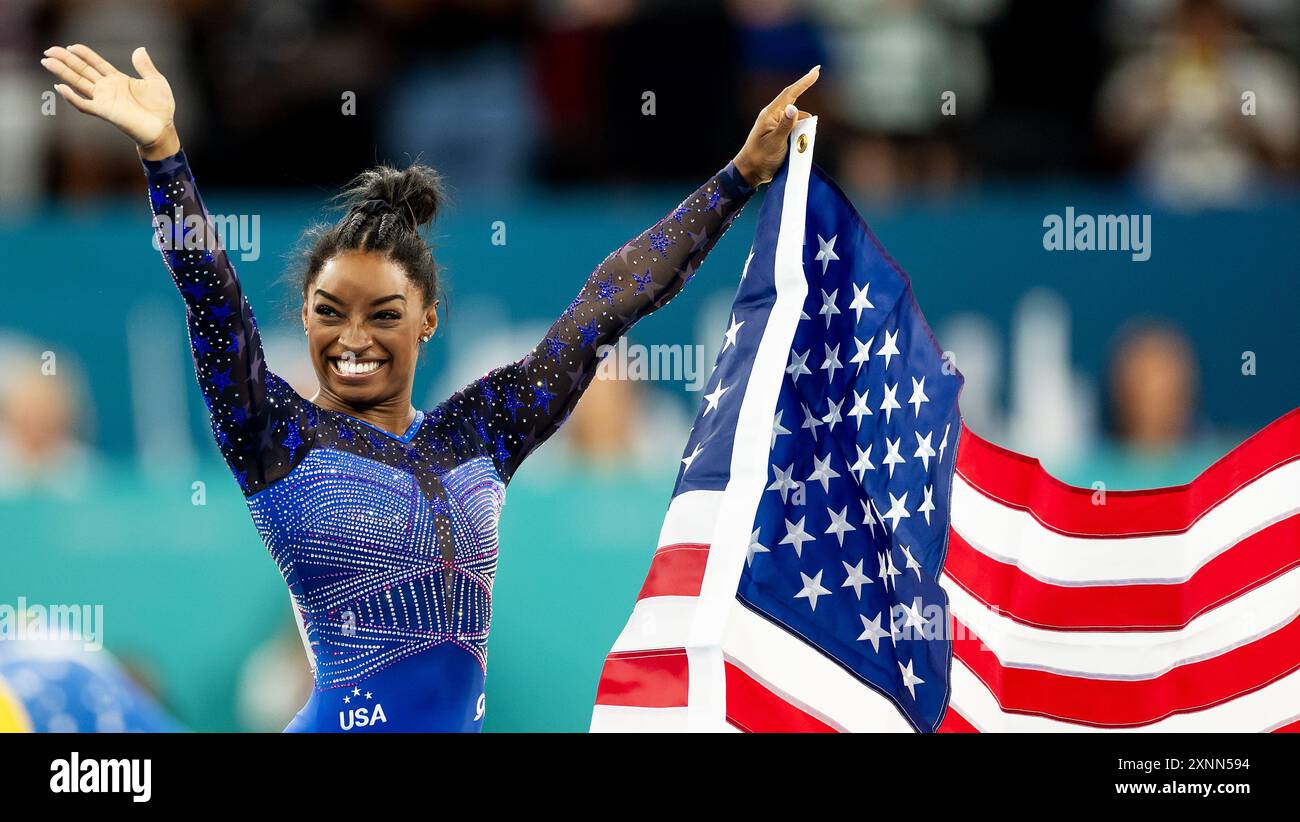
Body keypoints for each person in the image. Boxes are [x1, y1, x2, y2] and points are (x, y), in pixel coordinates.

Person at [39, 43, 817, 732]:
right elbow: (211, 299)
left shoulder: (479, 432)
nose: (352, 339)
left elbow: (606, 307)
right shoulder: (275, 435)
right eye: (328, 314)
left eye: (383, 315)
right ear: (303, 321)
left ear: (427, 323)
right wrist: (166, 158)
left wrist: (739, 176)